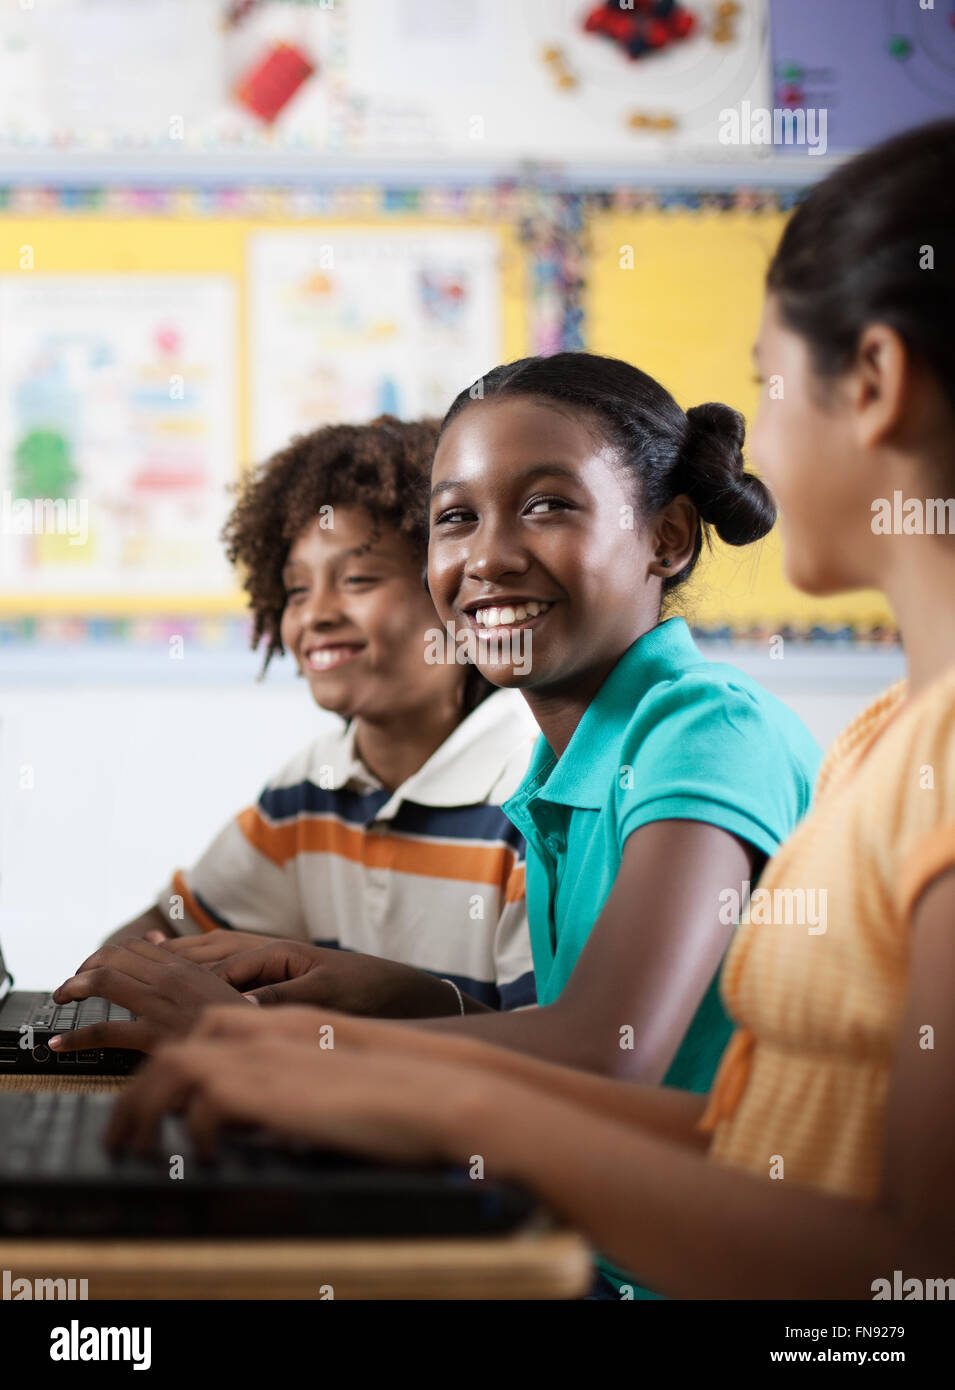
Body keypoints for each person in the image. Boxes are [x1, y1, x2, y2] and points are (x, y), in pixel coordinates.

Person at [105, 118, 955, 1299]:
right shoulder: (835, 743)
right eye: (452, 518)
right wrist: (381, 1010)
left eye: (545, 506)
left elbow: (621, 1053)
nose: (484, 558)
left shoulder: (711, 728)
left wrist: (333, 1057)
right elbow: (750, 1127)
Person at [51, 417, 538, 1054]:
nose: (315, 615)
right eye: (295, 590)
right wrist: (124, 975)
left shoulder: (535, 790)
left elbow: (549, 1056)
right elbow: (161, 931)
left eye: (358, 580)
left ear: (455, 586)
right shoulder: (312, 788)